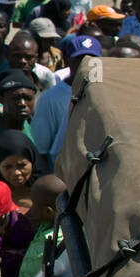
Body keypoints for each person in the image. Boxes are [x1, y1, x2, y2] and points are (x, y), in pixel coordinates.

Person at [30, 34, 101, 174]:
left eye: (92, 60)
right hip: (63, 175)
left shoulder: (104, 94)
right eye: (80, 59)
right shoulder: (51, 98)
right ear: (68, 60)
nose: (86, 65)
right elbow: (41, 148)